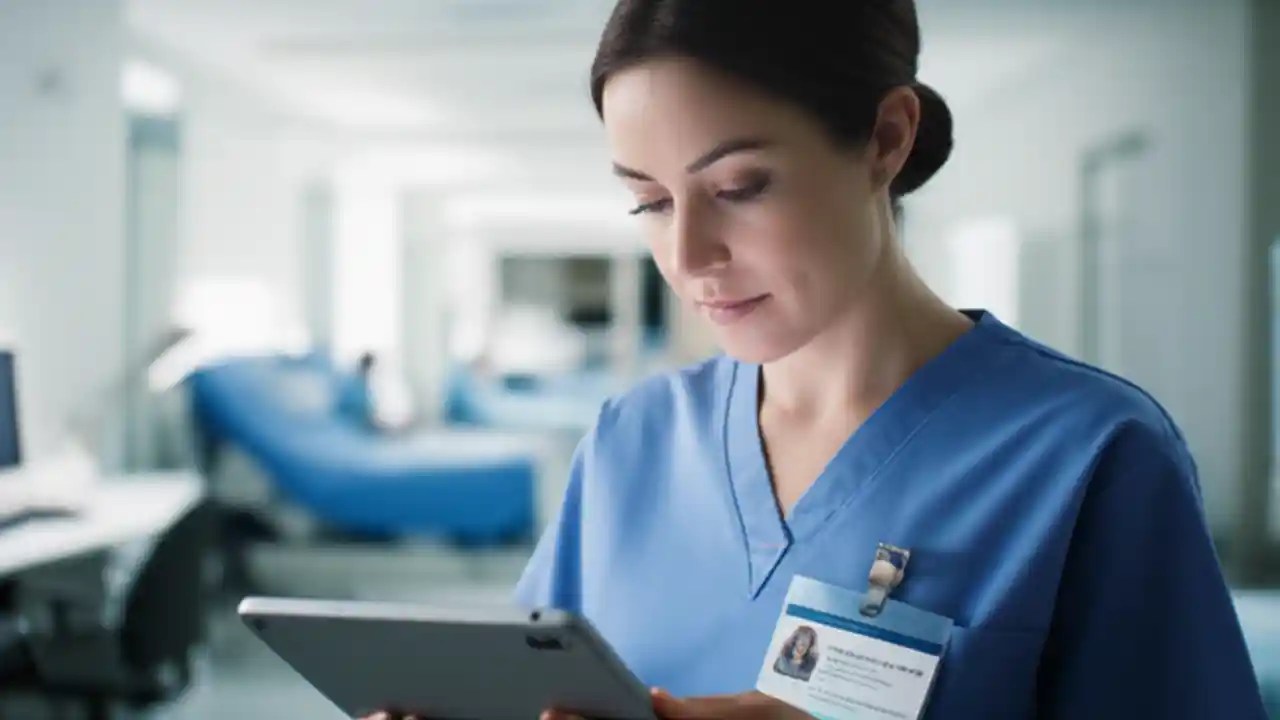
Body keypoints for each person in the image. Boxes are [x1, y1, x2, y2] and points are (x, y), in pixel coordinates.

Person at [374, 0, 1268, 718]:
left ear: (886, 138)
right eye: (649, 203)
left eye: (739, 188)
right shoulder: (632, 440)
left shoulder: (1087, 455)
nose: (688, 257)